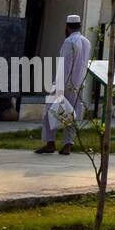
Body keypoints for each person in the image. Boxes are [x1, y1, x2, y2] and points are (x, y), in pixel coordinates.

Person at [35, 14, 91, 155]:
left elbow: (65, 66)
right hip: (79, 84)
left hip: (65, 84)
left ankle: (50, 142)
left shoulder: (69, 42)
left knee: (50, 111)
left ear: (67, 27)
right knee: (71, 114)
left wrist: (57, 87)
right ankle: (68, 145)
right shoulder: (86, 42)